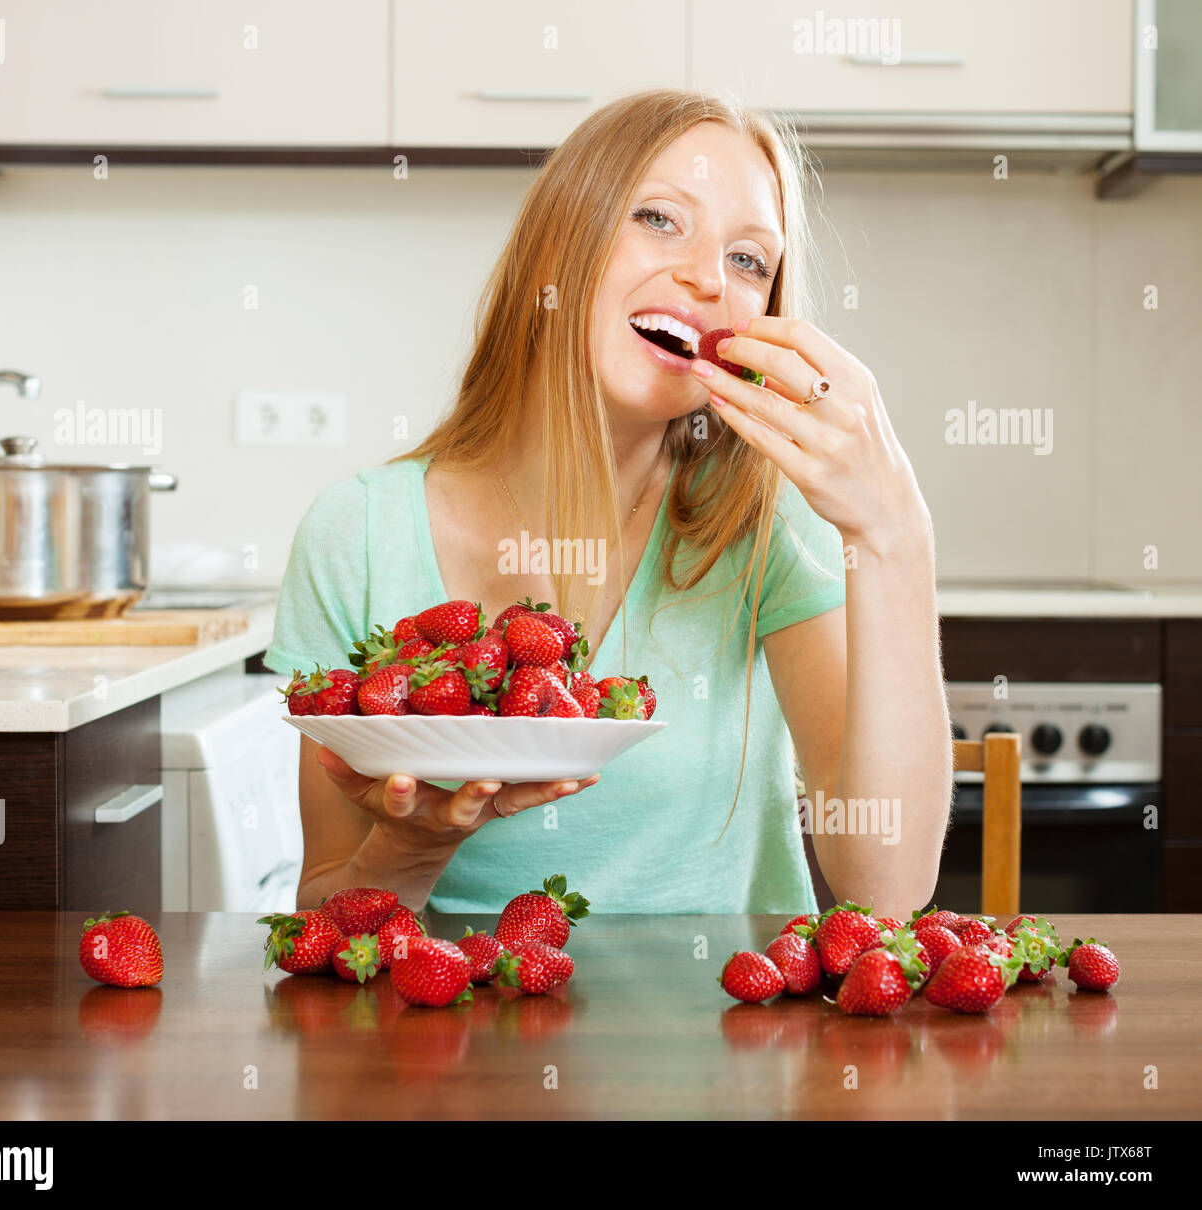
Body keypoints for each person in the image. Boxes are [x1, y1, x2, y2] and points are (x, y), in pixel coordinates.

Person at [264, 89, 951, 921]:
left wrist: (895, 534)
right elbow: (322, 920)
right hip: (452, 1045)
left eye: (749, 261)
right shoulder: (358, 534)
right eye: (661, 219)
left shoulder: (765, 524)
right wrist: (410, 847)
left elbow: (887, 890)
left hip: (721, 1039)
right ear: (560, 243)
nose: (707, 276)